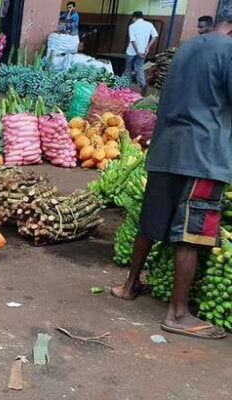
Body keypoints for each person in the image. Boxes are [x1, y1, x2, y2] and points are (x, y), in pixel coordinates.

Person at [110, 14, 232, 340]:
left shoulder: (186, 49)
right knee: (192, 232)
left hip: (165, 149)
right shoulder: (229, 51)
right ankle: (178, 314)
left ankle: (129, 285)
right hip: (203, 155)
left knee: (151, 221)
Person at [125, 11, 158, 96]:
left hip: (132, 51)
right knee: (139, 68)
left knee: (128, 69)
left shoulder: (132, 26)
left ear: (134, 17)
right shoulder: (149, 25)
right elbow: (155, 36)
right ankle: (143, 84)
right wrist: (147, 47)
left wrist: (137, 51)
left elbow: (132, 40)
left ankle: (125, 88)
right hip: (143, 51)